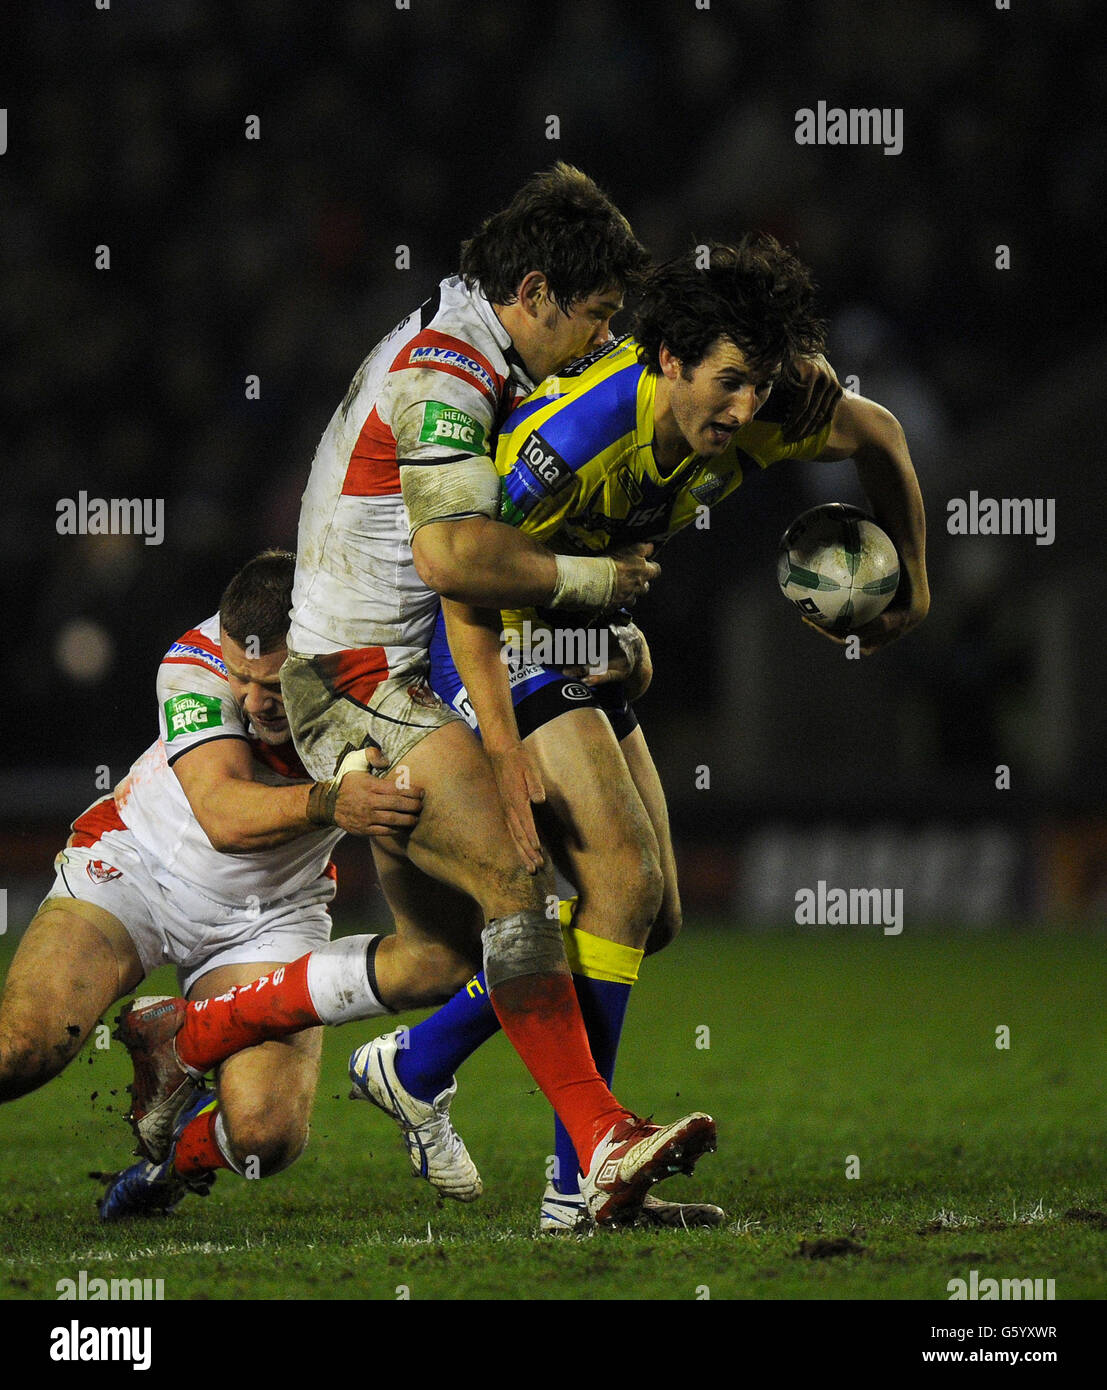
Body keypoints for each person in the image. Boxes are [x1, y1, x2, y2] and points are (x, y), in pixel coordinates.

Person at [122, 167, 722, 1227]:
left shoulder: (477, 353)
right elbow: (452, 557)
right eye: (592, 315)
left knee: (441, 960)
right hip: (354, 680)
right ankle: (597, 1149)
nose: (598, 340)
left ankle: (195, 1042)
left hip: (408, 672)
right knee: (521, 889)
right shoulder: (447, 371)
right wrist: (594, 593)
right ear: (533, 291)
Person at [355, 233, 928, 1230]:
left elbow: (879, 435)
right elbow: (465, 579)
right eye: (727, 384)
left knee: (650, 917)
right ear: (668, 360)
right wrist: (497, 752)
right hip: (486, 630)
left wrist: (914, 583)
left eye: (759, 386)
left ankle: (419, 1059)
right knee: (621, 878)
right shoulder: (573, 439)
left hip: (585, 629)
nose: (744, 412)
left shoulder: (767, 405)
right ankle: (585, 1181)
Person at [0, 550, 443, 1219]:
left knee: (267, 1137)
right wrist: (332, 803)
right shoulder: (194, 661)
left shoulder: (373, 671)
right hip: (135, 870)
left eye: (274, 682)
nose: (252, 700)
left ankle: (170, 1133)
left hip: (270, 912)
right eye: (243, 678)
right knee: (21, 1049)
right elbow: (224, 813)